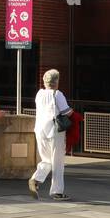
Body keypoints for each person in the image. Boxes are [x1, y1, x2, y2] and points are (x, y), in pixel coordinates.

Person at [28, 68, 72, 201]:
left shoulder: (39, 94)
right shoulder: (57, 94)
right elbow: (66, 112)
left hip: (40, 129)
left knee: (46, 160)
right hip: (54, 131)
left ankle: (36, 178)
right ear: (56, 81)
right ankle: (57, 192)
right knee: (57, 162)